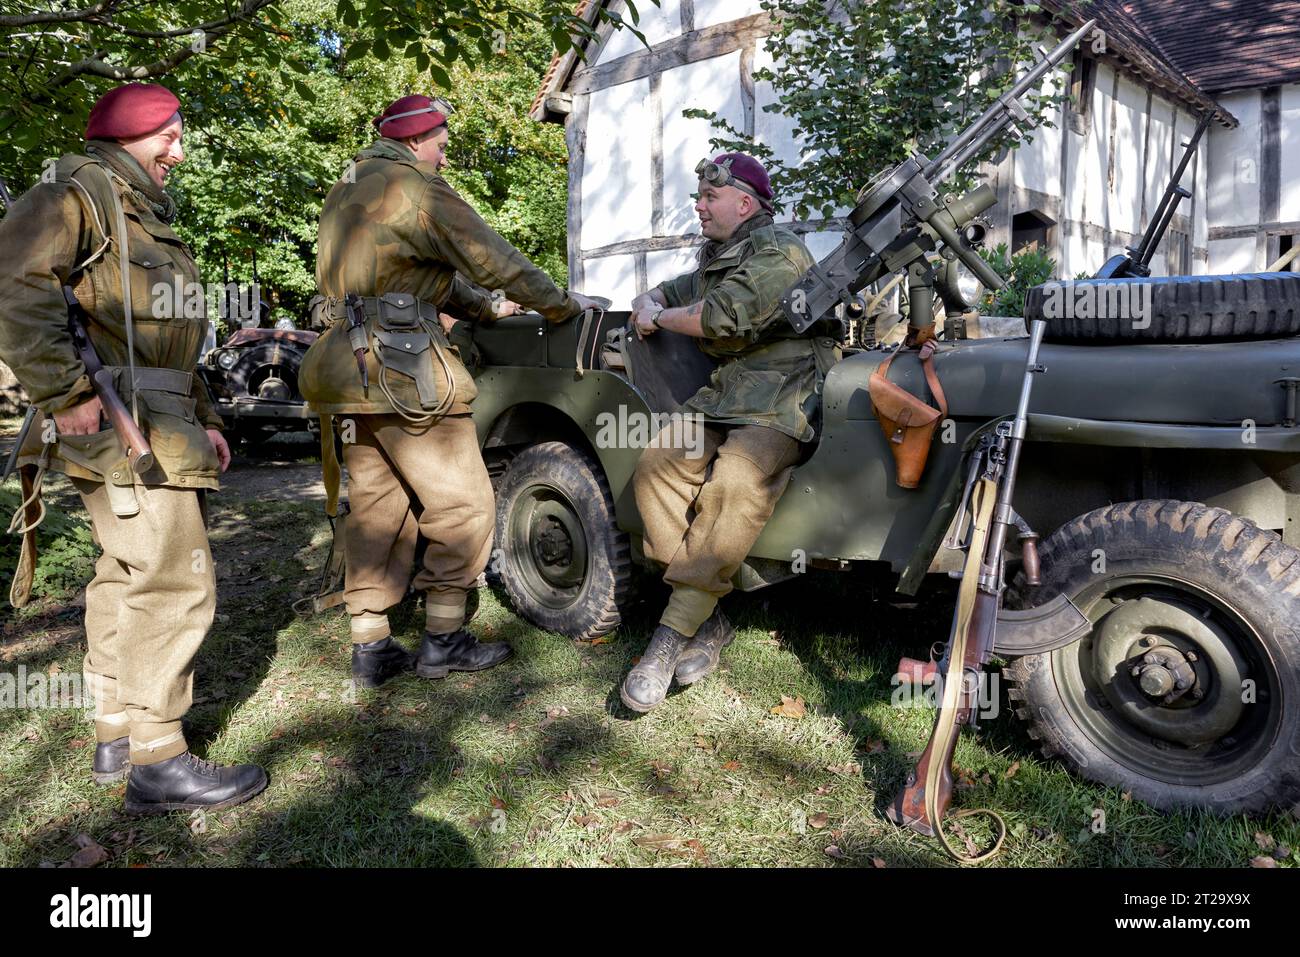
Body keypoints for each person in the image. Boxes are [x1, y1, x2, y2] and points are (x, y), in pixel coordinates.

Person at [0, 83, 267, 811]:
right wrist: (64, 393)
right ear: (127, 134)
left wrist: (204, 414)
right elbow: (15, 285)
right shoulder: (76, 190)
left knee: (125, 573)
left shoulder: (133, 208)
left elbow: (172, 340)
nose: (178, 151)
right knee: (174, 579)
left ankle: (117, 730)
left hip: (160, 414)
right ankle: (159, 759)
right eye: (168, 136)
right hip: (121, 423)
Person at [301, 94, 600, 689]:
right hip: (403, 368)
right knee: (462, 504)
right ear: (415, 140)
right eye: (440, 140)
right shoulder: (414, 188)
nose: (444, 152)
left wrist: (484, 307)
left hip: (346, 369)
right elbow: (492, 257)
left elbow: (410, 279)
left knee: (375, 506)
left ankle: (371, 645)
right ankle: (443, 640)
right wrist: (560, 303)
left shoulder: (347, 189)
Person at [619, 153, 837, 712]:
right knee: (657, 466)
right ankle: (706, 618)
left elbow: (719, 317)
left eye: (708, 198)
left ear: (744, 203)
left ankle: (667, 639)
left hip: (784, 393)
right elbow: (671, 291)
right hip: (729, 391)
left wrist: (660, 318)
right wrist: (650, 301)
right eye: (698, 197)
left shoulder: (779, 251)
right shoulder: (726, 255)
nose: (698, 206)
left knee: (736, 482)